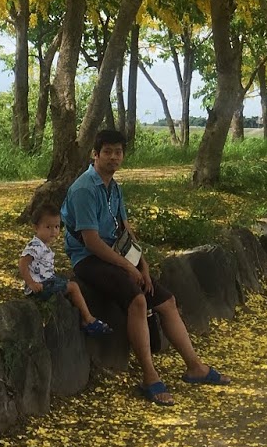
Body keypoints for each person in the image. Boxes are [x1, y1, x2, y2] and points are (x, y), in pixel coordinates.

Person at [62, 128, 230, 405]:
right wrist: (128, 269)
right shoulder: (83, 189)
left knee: (166, 301)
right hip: (89, 260)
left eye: (118, 152)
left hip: (117, 256)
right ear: (95, 154)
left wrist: (143, 264)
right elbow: (91, 242)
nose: (114, 158)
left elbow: (125, 231)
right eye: (108, 152)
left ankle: (195, 367)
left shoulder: (114, 188)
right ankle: (150, 377)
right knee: (138, 300)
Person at [19, 203, 112, 336]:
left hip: (46, 281)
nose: (53, 231)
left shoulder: (43, 246)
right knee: (73, 286)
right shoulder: (35, 246)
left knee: (67, 281)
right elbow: (23, 263)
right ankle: (88, 319)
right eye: (48, 227)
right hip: (40, 287)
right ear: (36, 227)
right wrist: (31, 283)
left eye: (57, 227)